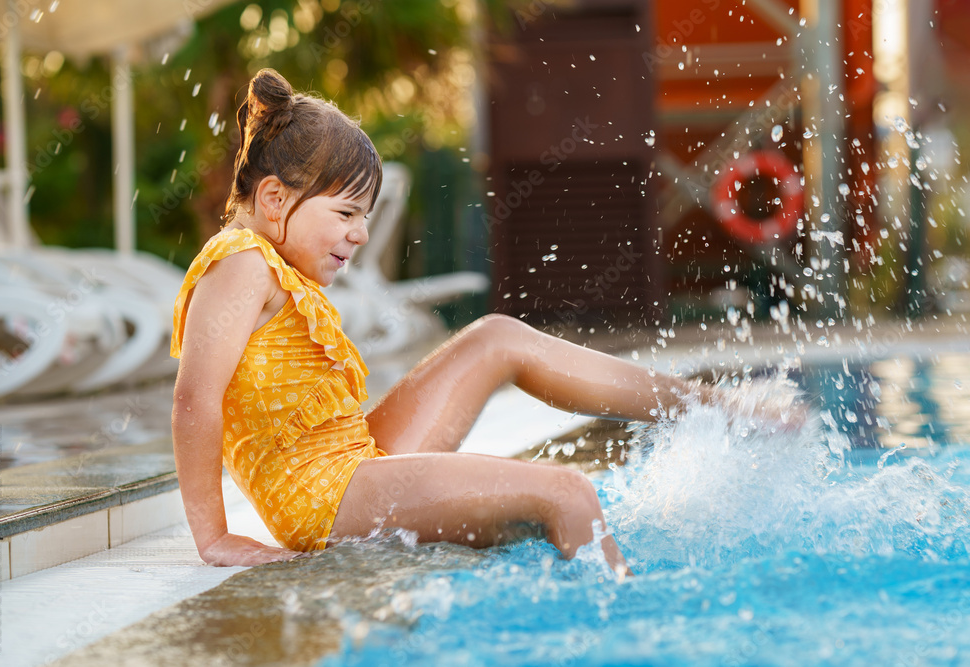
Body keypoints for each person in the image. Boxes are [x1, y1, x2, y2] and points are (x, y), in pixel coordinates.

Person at [171, 69, 794, 579]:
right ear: (276, 199)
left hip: (348, 462)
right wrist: (215, 535)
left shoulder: (272, 263)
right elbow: (194, 400)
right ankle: (631, 625)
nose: (360, 234)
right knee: (569, 494)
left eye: (364, 216)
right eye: (346, 214)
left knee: (496, 335)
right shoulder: (242, 267)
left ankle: (713, 407)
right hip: (322, 497)